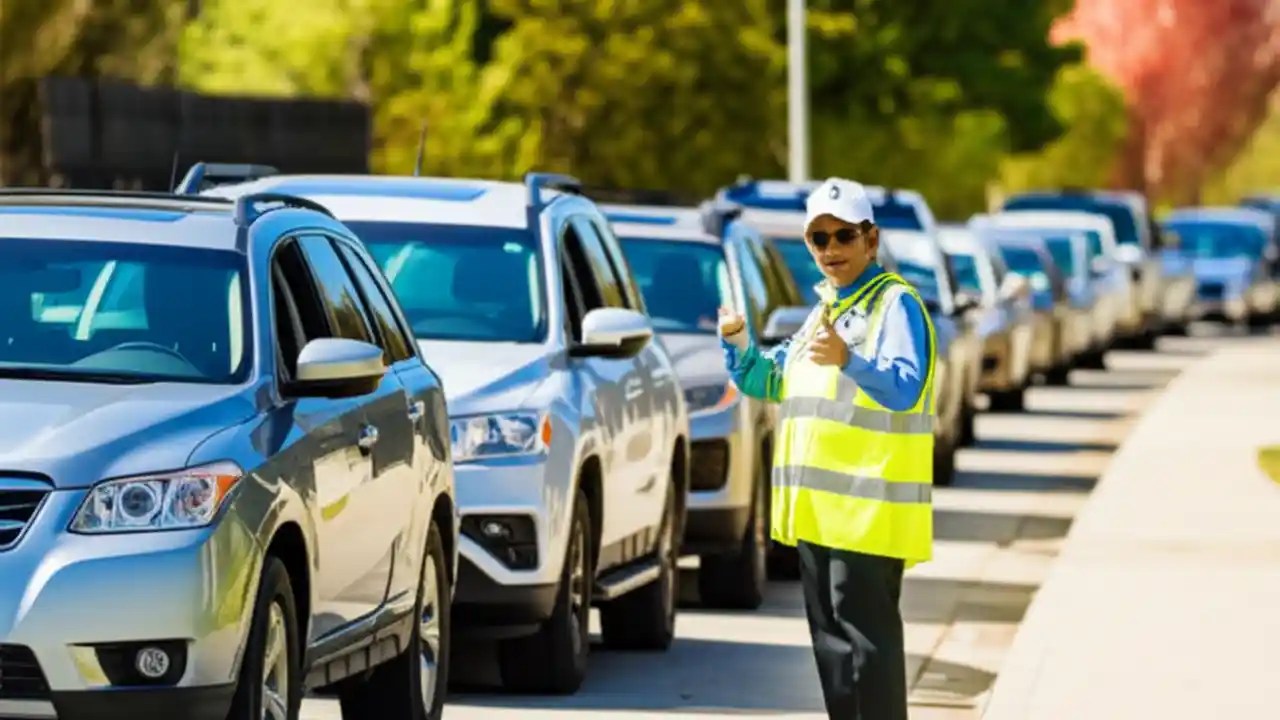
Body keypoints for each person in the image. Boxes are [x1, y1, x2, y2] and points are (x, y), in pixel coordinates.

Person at [718, 178, 936, 719]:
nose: (831, 250)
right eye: (819, 239)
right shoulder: (825, 309)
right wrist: (738, 341)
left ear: (871, 239)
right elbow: (770, 380)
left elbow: (905, 387)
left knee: (867, 645)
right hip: (821, 513)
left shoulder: (895, 305)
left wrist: (849, 360)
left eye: (843, 236)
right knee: (833, 648)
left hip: (869, 509)